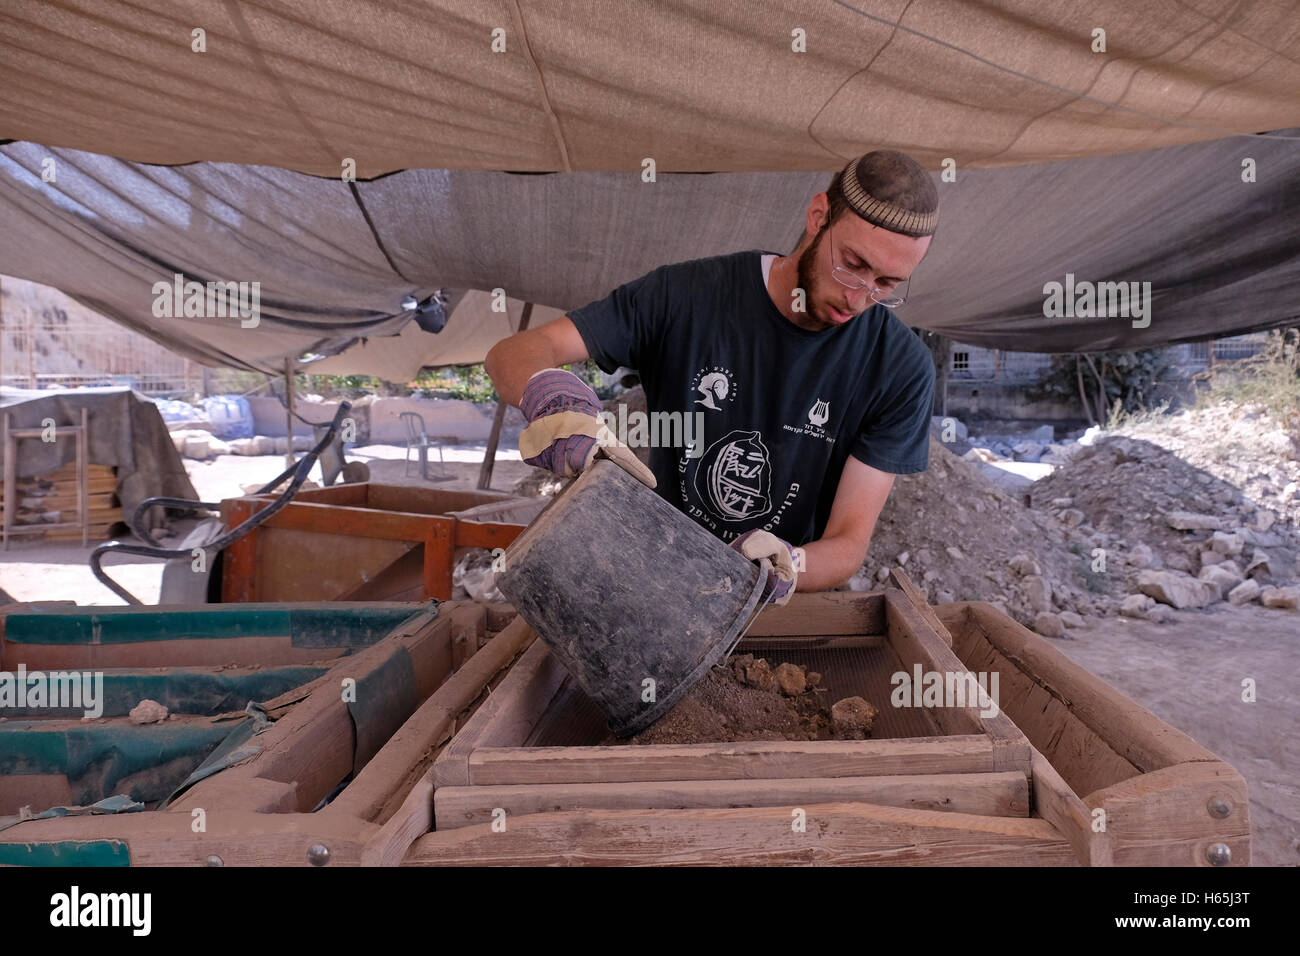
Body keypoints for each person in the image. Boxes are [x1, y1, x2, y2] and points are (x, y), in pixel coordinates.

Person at [485, 150, 939, 606]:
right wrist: (552, 401)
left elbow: (848, 542)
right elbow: (515, 352)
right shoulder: (685, 297)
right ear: (818, 216)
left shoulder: (900, 368)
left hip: (766, 610)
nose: (859, 298)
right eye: (853, 265)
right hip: (646, 585)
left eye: (886, 284)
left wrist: (787, 564)